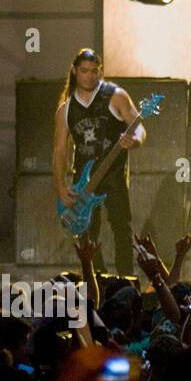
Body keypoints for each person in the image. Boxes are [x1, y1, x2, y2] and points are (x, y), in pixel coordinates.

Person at [51, 48, 146, 274]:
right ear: (75, 71)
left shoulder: (116, 95)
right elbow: (59, 150)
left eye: (95, 71)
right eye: (84, 71)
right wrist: (60, 186)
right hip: (83, 178)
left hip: (113, 174)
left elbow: (140, 126)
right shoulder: (65, 110)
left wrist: (135, 140)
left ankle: (126, 282)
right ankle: (98, 283)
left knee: (121, 229)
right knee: (86, 234)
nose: (90, 76)